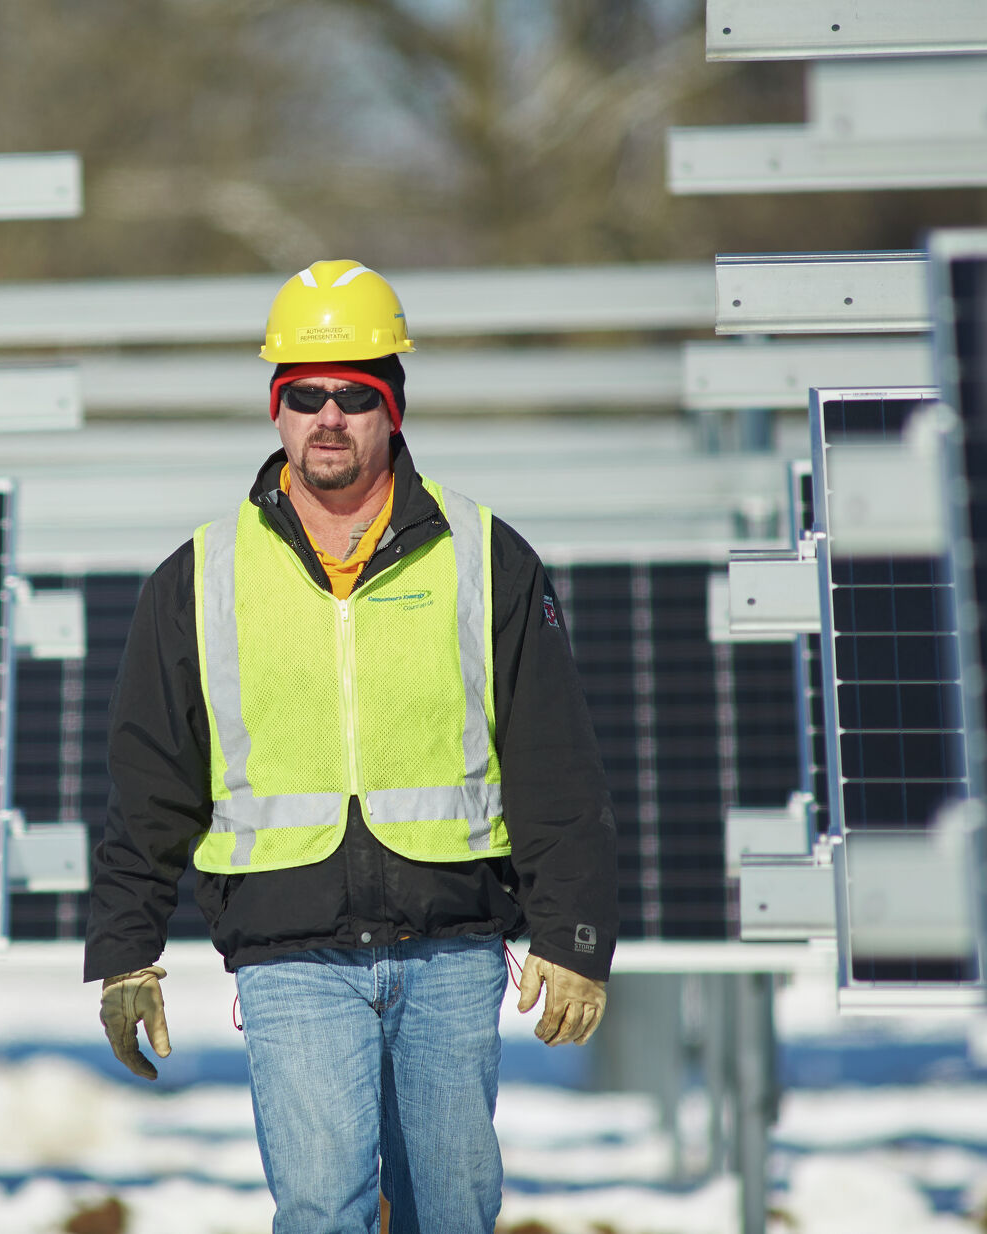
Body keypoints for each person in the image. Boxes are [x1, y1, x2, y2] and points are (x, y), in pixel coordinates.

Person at [85, 260, 619, 1234]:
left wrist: (574, 935)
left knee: (451, 1212)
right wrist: (124, 952)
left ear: (393, 408)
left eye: (353, 395)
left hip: (452, 945)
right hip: (289, 956)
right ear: (275, 410)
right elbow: (148, 783)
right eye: (303, 395)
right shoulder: (198, 576)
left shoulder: (485, 555)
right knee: (321, 1211)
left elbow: (554, 765)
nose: (326, 417)